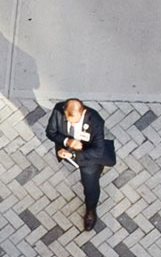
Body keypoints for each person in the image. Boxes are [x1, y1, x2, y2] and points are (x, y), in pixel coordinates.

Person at [49, 97, 116, 231]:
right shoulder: (58, 110)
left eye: (76, 122)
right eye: (69, 122)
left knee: (90, 187)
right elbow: (50, 132)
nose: (72, 125)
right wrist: (67, 142)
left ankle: (91, 210)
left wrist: (74, 155)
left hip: (88, 157)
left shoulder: (95, 120)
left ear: (83, 112)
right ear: (64, 110)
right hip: (68, 150)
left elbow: (98, 150)